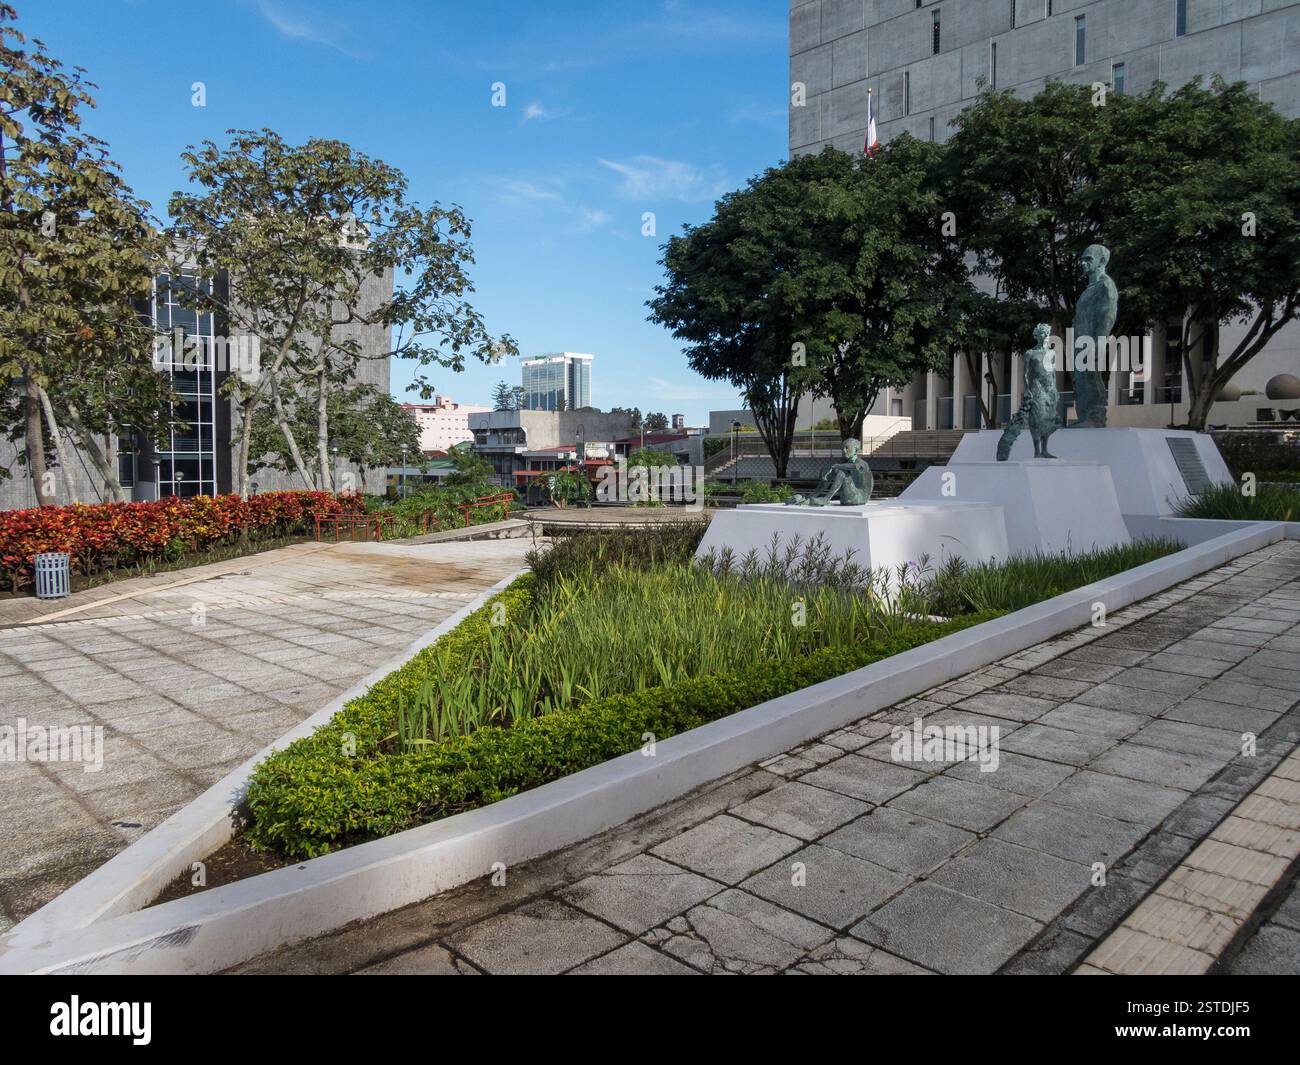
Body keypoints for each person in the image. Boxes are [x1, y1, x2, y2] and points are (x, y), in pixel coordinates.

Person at [997, 323, 1060, 460]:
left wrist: (1055, 389)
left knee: (1048, 419)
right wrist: (1027, 389)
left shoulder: (1052, 353)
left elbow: (1053, 372)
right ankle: (1037, 451)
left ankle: (1045, 450)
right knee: (1036, 419)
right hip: (1037, 388)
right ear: (1037, 335)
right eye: (1042, 334)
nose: (1045, 337)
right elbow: (1025, 374)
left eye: (1047, 334)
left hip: (1049, 389)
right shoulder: (1030, 353)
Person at [787, 437, 872, 506]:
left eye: (847, 448)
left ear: (856, 450)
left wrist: (837, 466)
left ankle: (826, 498)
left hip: (860, 497)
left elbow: (855, 467)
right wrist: (828, 470)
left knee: (841, 472)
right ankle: (812, 496)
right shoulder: (847, 463)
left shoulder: (862, 463)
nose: (844, 450)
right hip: (850, 496)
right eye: (842, 448)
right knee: (829, 470)